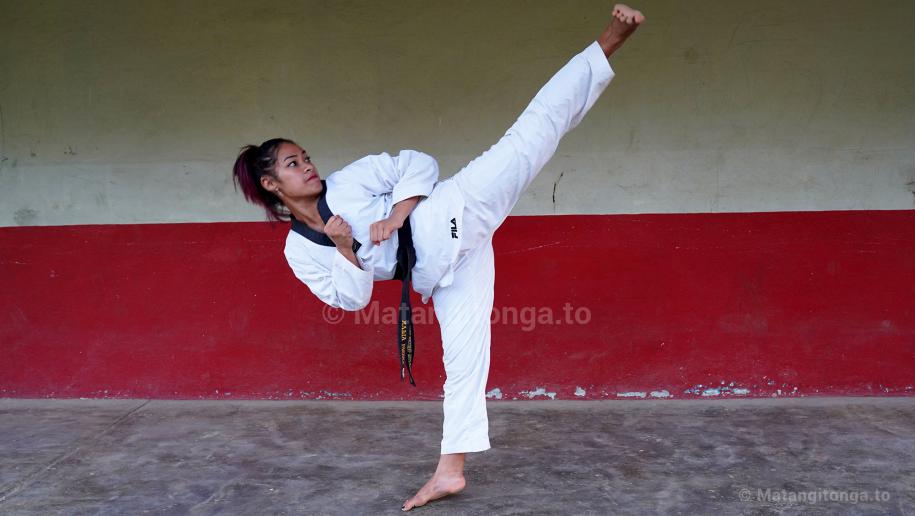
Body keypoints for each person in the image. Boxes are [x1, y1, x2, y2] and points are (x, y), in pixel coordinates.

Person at [232, 4, 645, 511]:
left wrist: (399, 215)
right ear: (273, 185)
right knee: (464, 363)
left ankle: (608, 42)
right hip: (441, 272)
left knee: (531, 135)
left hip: (455, 210)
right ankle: (450, 472)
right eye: (294, 164)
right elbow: (353, 299)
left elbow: (418, 163)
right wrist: (344, 249)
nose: (309, 166)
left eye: (307, 156)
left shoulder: (350, 181)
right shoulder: (299, 250)